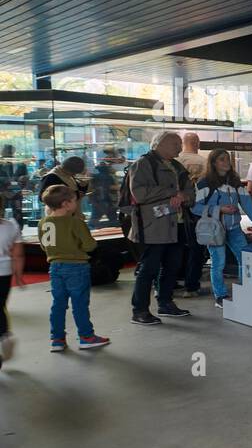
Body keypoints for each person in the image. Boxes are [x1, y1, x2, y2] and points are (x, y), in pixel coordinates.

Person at [125, 131, 194, 325]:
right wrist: (173, 192)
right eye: (175, 144)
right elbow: (139, 193)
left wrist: (184, 196)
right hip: (153, 226)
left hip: (177, 224)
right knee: (149, 269)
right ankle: (139, 311)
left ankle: (165, 303)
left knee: (172, 267)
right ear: (159, 144)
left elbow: (191, 191)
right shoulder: (142, 164)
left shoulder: (177, 166)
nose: (179, 148)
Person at [38, 184, 110, 352]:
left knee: (58, 304)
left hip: (55, 267)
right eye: (74, 200)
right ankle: (86, 336)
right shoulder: (75, 222)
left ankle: (57, 339)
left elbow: (44, 246)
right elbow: (90, 245)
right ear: (66, 204)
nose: (76, 203)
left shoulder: (43, 222)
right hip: (77, 267)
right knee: (79, 303)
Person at [194, 149, 252, 307]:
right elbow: (195, 207)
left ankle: (245, 289)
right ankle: (220, 296)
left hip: (235, 228)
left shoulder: (235, 182)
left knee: (245, 258)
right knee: (218, 262)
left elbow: (247, 203)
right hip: (214, 229)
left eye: (227, 159)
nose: (226, 162)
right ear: (214, 162)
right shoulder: (204, 183)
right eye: (222, 159)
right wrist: (219, 209)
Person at [0, 210, 22, 370]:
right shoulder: (11, 226)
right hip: (4, 273)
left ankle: (5, 336)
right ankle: (4, 335)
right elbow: (18, 255)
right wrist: (19, 275)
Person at [0, 145, 30, 228]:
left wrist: (21, 188)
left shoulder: (21, 165)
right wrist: (3, 191)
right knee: (1, 211)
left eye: (10, 151)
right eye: (6, 151)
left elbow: (26, 178)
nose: (8, 153)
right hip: (2, 193)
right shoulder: (1, 163)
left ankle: (19, 230)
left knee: (18, 212)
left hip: (17, 193)